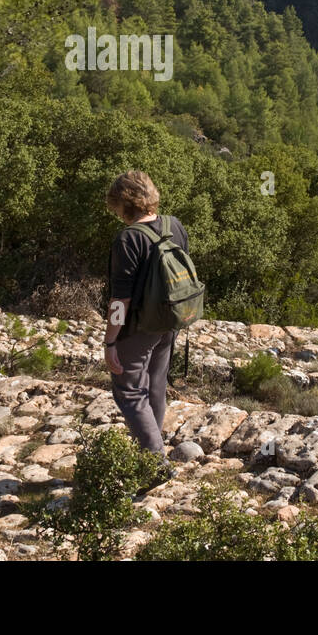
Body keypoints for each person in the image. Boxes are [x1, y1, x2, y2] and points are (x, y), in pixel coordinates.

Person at [103, 170, 188, 465]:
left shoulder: (128, 239)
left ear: (123, 204)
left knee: (128, 390)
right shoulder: (173, 225)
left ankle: (154, 463)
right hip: (170, 320)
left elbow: (120, 300)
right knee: (155, 386)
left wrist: (110, 341)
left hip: (139, 327)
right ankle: (150, 453)